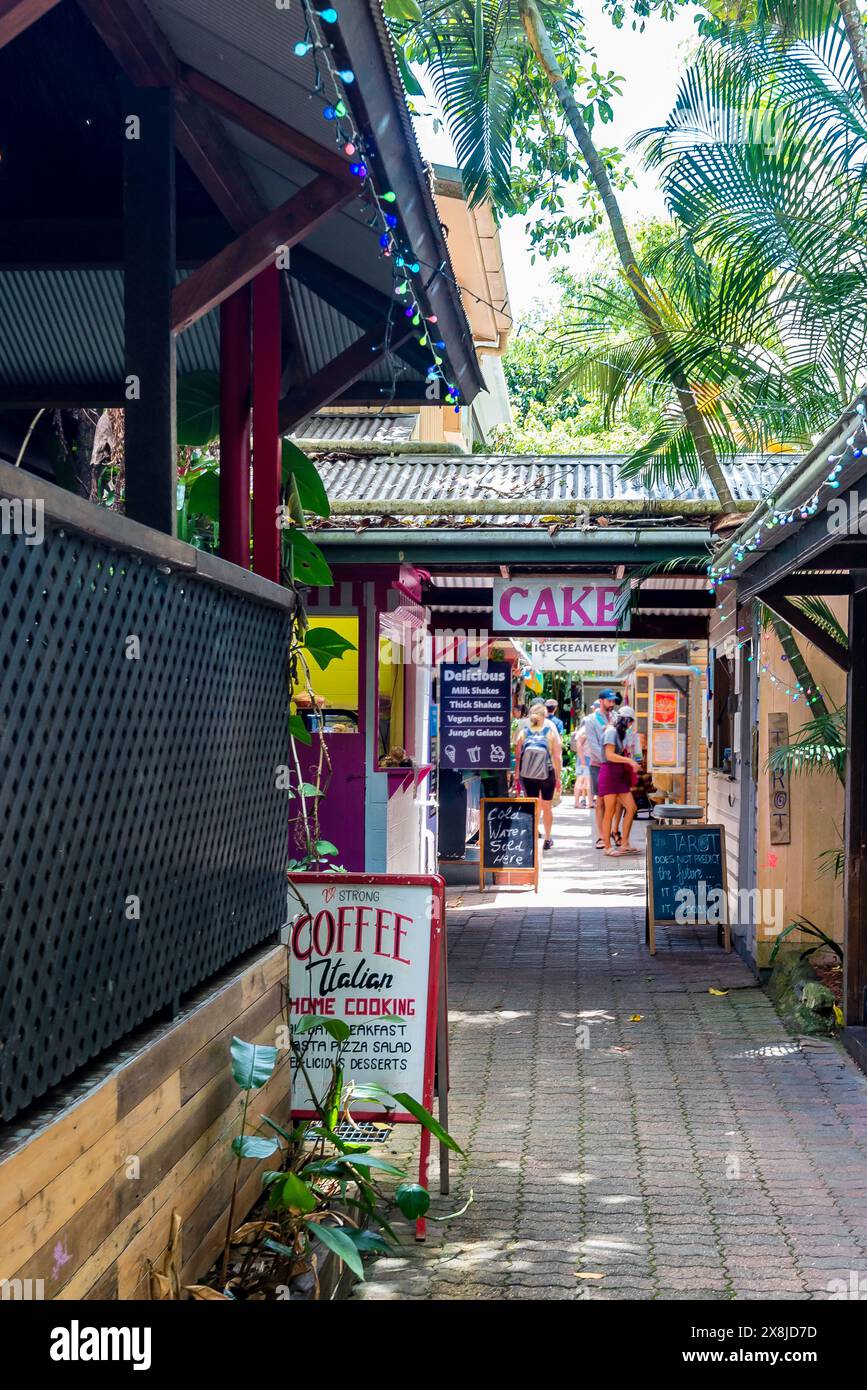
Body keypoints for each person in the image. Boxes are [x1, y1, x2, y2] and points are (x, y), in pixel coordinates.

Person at [515, 702, 562, 851]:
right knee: (547, 807)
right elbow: (557, 757)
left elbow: (518, 757)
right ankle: (547, 838)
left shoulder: (524, 733)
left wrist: (517, 773)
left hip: (528, 775)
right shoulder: (550, 732)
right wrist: (558, 777)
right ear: (544, 716)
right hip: (547, 773)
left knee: (532, 806)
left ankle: (532, 838)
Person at [599, 706, 641, 857]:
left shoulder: (620, 734)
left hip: (618, 774)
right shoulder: (611, 732)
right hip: (609, 773)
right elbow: (609, 755)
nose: (631, 726)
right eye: (630, 722)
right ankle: (608, 847)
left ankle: (624, 843)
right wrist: (629, 761)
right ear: (626, 720)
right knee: (609, 811)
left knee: (632, 807)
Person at [580, 690, 617, 849]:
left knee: (614, 801)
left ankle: (613, 831)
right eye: (609, 701)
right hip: (599, 765)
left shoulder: (615, 717)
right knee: (600, 800)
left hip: (615, 764)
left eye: (613, 701)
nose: (611, 704)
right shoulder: (590, 720)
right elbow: (593, 745)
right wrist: (606, 760)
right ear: (601, 701)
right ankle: (601, 836)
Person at [571, 721, 590, 808]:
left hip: (585, 758)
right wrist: (582, 760)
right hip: (584, 758)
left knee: (587, 782)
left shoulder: (584, 729)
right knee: (581, 781)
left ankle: (589, 802)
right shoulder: (585, 730)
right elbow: (579, 745)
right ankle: (577, 802)